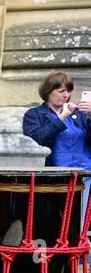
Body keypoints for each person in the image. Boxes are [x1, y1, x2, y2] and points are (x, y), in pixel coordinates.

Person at [23, 72, 91, 227]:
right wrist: (61, 117)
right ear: (48, 92)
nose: (66, 95)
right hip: (54, 178)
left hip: (85, 175)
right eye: (61, 91)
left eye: (68, 90)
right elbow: (39, 140)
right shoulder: (34, 115)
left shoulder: (79, 114)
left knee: (81, 223)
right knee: (55, 223)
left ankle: (81, 252)